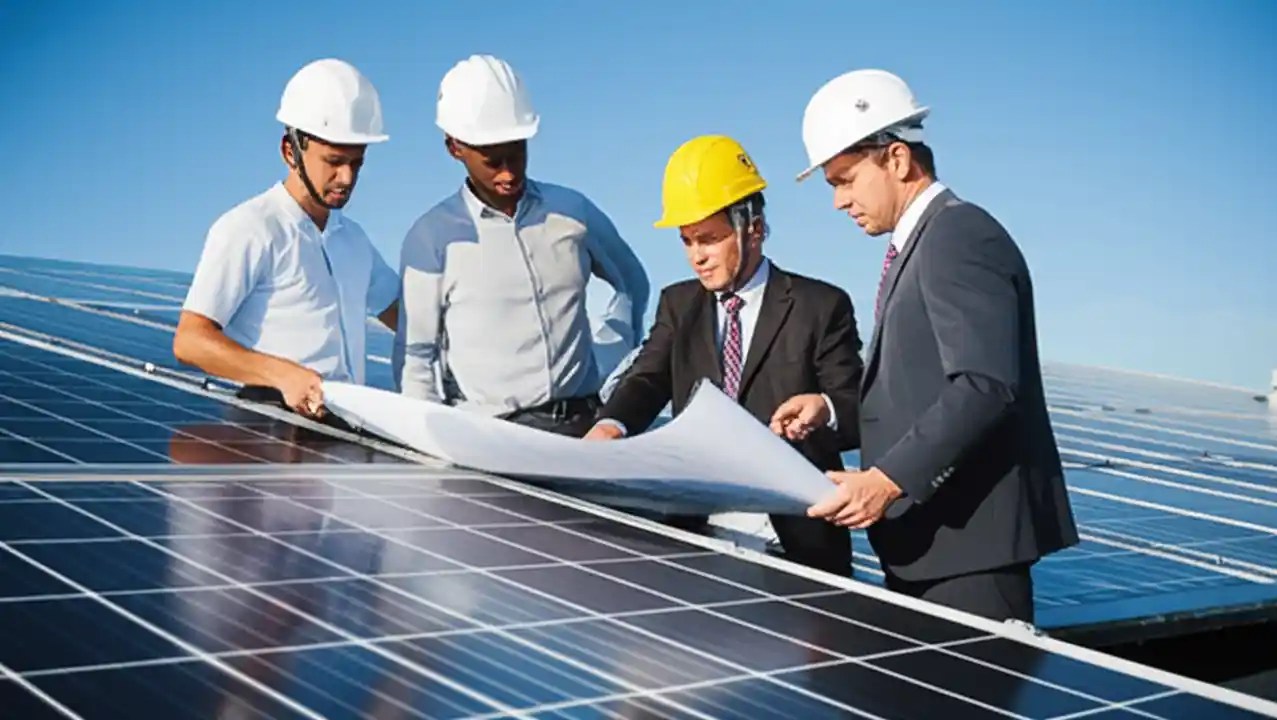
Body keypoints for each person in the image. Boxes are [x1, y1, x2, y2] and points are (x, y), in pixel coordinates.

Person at [796, 69, 1079, 621]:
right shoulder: (923, 244)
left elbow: (985, 384)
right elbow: (914, 392)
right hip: (932, 547)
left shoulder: (957, 234)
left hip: (969, 554)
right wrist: (830, 410)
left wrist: (887, 480)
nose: (838, 202)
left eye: (845, 180)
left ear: (897, 159)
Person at [585, 135, 864, 577]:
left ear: (753, 228)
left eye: (709, 239)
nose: (697, 256)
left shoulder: (821, 306)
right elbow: (647, 378)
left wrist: (824, 408)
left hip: (796, 539)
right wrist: (611, 425)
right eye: (686, 241)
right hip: (696, 530)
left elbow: (856, 408)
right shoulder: (678, 305)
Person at [393, 54, 649, 436]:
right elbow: (415, 364)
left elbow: (633, 282)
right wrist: (434, 441)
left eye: (517, 153)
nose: (509, 173)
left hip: (585, 427)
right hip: (492, 439)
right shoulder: (431, 239)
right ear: (455, 147)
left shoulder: (573, 213)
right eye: (492, 160)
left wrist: (612, 351)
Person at [174, 58, 400, 427]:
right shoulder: (249, 229)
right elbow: (189, 341)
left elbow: (403, 314)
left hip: (343, 430)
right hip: (268, 430)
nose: (346, 178)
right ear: (290, 151)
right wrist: (281, 375)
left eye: (356, 163)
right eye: (333, 161)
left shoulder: (354, 240)